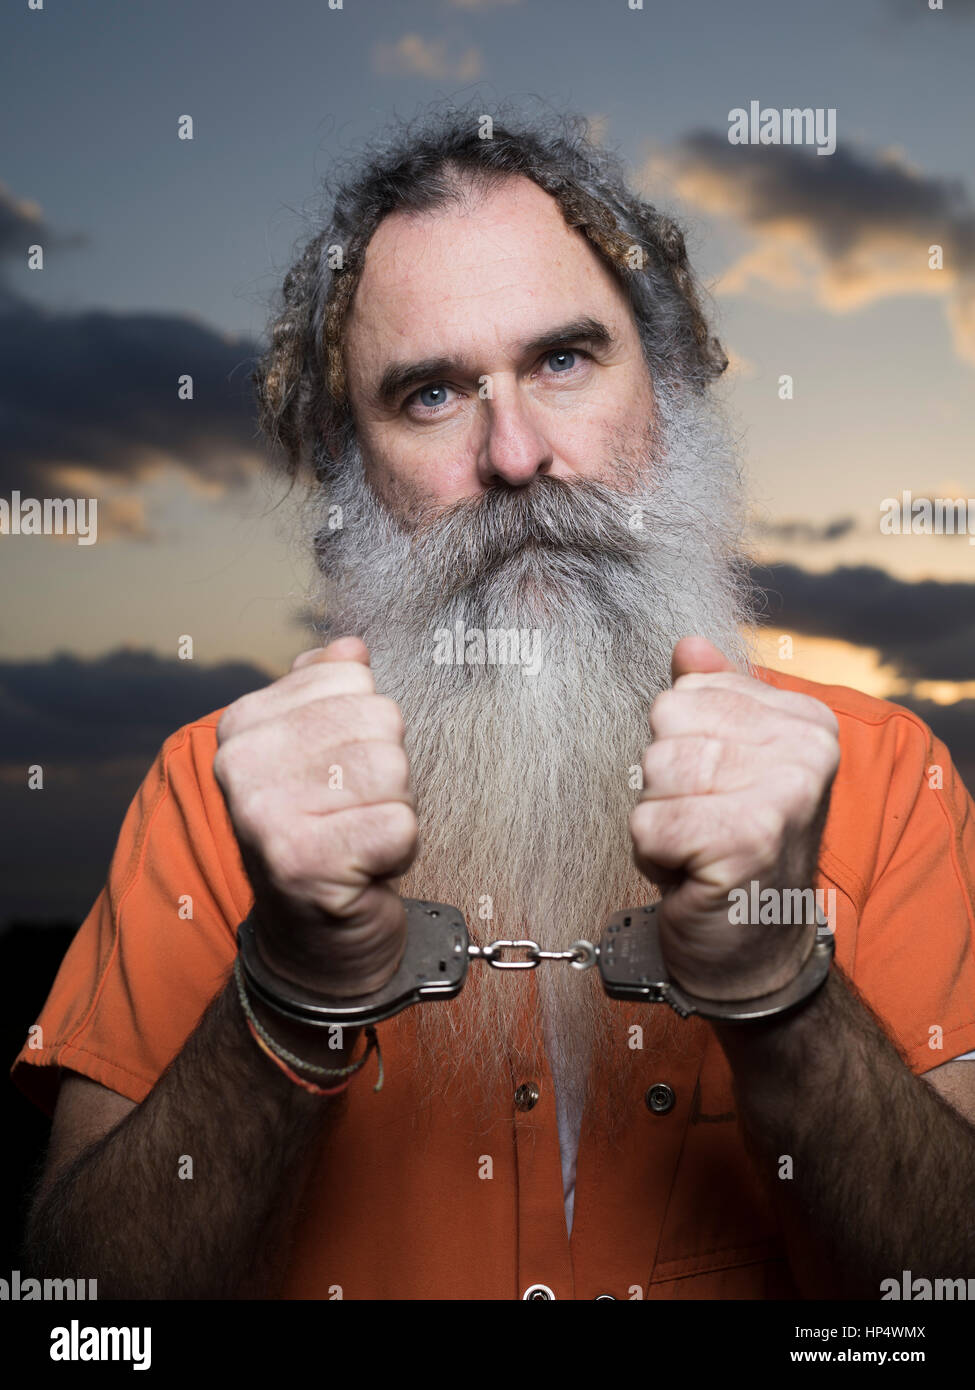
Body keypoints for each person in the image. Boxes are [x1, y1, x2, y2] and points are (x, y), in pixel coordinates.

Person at [11, 105, 975, 1301]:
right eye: (428, 395)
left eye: (564, 359)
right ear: (346, 468)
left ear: (666, 390)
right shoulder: (210, 800)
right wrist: (288, 990)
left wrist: (784, 992)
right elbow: (75, 1327)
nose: (514, 454)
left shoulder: (886, 778)